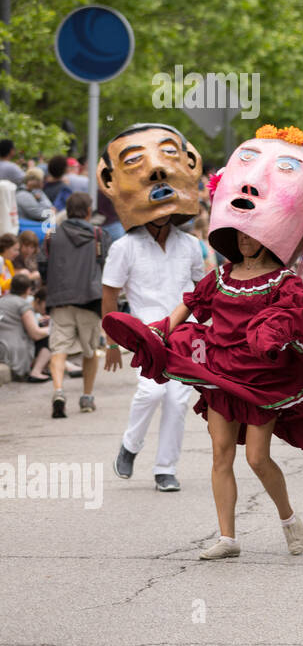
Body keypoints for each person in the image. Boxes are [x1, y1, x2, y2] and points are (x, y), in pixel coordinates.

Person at [102, 124, 303, 560]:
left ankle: (287, 517)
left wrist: (272, 331)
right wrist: (156, 332)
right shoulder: (219, 276)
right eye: (239, 233)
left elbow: (297, 316)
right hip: (219, 374)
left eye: (252, 234)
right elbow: (187, 306)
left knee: (257, 458)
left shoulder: (283, 280)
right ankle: (227, 538)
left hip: (260, 380)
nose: (244, 239)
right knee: (220, 455)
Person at [97, 122, 207, 493]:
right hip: (145, 332)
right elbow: (110, 294)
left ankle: (165, 469)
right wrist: (111, 342)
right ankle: (130, 445)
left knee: (178, 398)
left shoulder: (191, 245)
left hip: (185, 332)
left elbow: (199, 290)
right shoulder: (124, 247)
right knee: (152, 391)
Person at [40, 192, 105, 417]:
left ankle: (58, 390)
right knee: (90, 351)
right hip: (90, 299)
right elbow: (106, 266)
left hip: (59, 299)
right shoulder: (98, 234)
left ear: (67, 211)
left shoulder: (52, 236)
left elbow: (42, 265)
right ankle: (86, 397)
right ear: (88, 211)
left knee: (59, 349)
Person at [0, 273, 50, 381]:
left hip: (2, 347)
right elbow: (35, 333)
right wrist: (53, 329)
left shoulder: (2, 300)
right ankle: (36, 372)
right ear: (28, 290)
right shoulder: (23, 305)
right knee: (49, 337)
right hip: (14, 352)